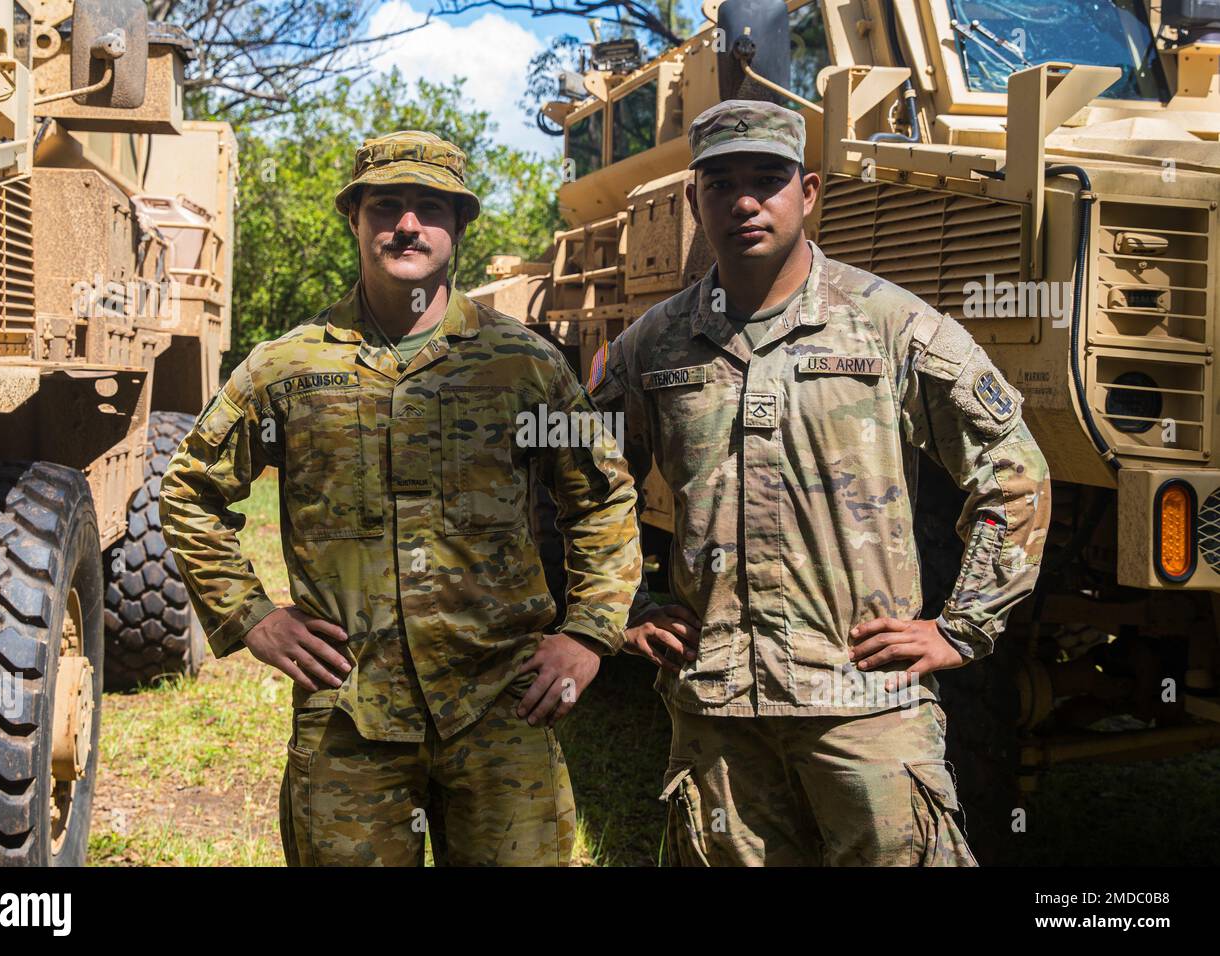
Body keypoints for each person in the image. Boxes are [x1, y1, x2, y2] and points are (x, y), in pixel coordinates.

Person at [160, 130, 641, 866]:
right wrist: (248, 616)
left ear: (460, 225)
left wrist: (588, 635)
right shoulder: (287, 367)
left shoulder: (522, 366)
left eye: (430, 207)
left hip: (502, 706)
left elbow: (601, 497)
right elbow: (191, 491)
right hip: (349, 712)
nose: (407, 224)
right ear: (354, 218)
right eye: (386, 205)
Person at [589, 100, 1051, 866]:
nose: (744, 201)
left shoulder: (890, 326)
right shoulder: (653, 345)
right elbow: (581, 487)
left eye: (766, 180)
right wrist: (618, 610)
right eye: (721, 182)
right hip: (717, 710)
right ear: (694, 199)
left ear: (807, 192)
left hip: (864, 708)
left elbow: (1013, 471)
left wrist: (961, 626)